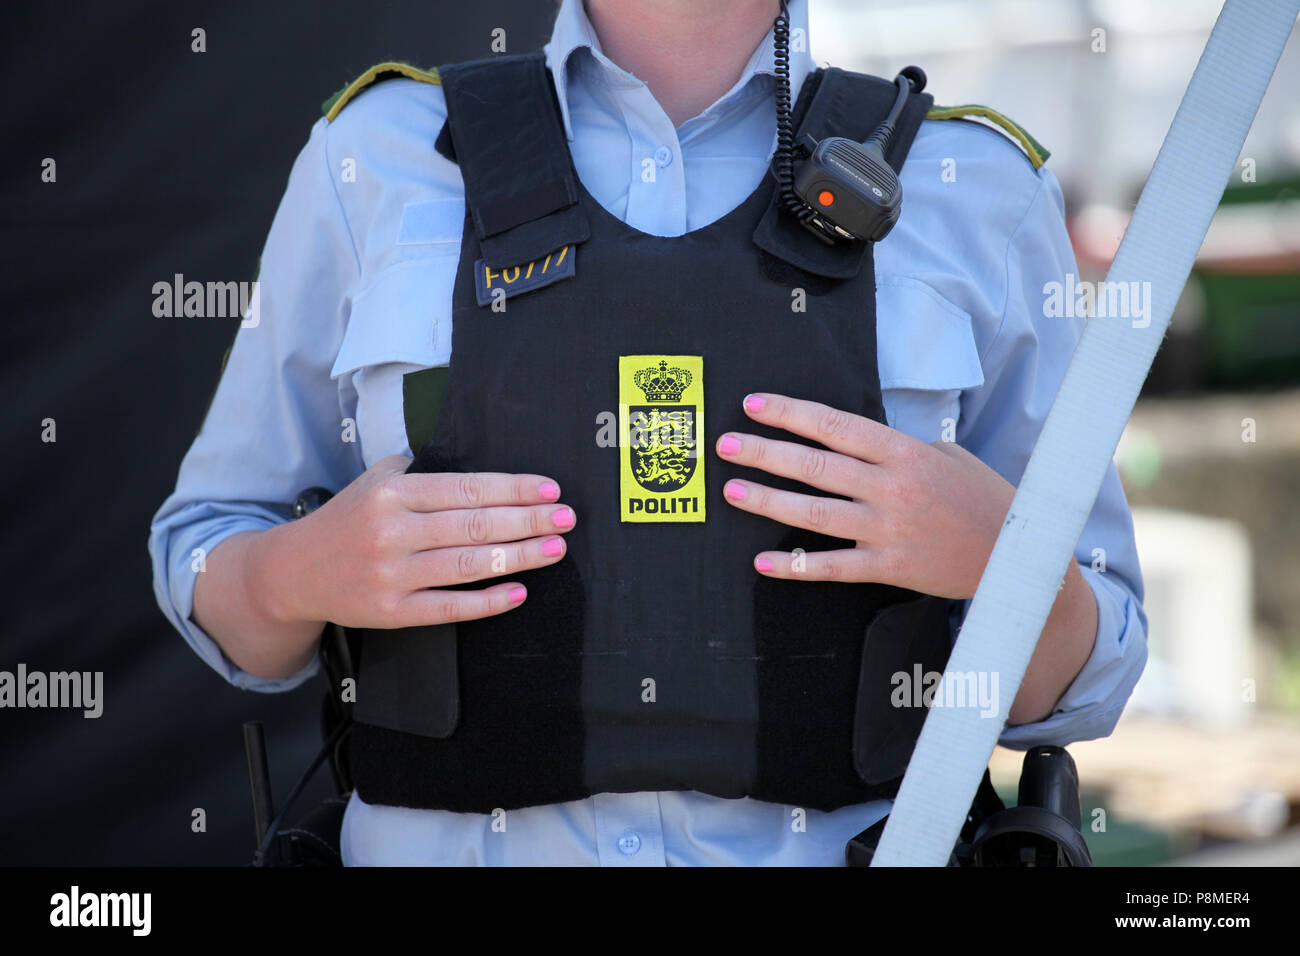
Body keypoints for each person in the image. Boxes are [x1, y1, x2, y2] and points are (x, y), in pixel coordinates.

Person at [149, 0, 1147, 866]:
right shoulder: (374, 156)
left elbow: (1089, 672)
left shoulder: (975, 186)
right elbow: (213, 558)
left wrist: (1003, 561)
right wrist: (296, 572)